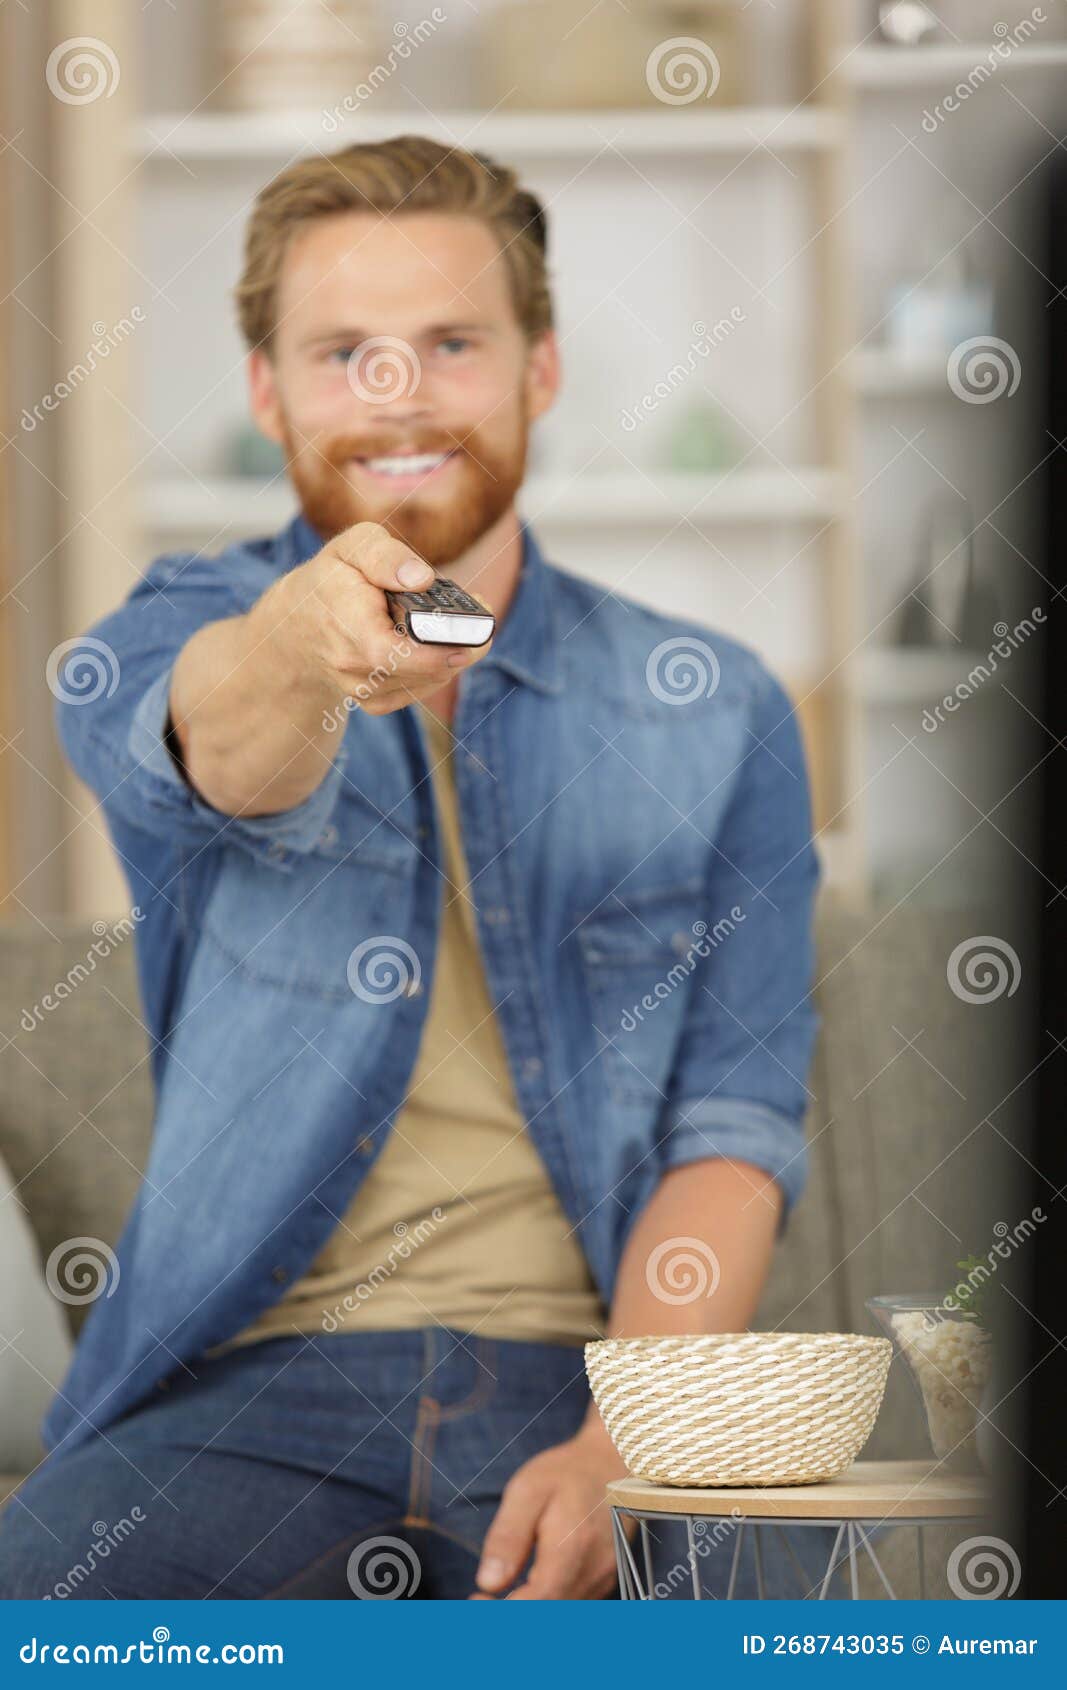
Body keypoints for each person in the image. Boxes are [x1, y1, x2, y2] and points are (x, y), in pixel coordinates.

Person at [0, 135, 828, 1600]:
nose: (398, 396)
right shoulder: (171, 629)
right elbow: (225, 735)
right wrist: (306, 642)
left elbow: (730, 1130)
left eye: (451, 342)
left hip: (587, 1385)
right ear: (265, 388)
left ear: (540, 369)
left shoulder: (720, 707)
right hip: (248, 1402)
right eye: (343, 353)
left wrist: (623, 1438)